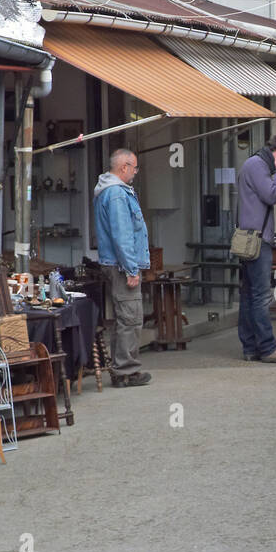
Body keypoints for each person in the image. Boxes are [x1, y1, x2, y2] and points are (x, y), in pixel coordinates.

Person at [93, 148, 151, 387]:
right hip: (121, 265)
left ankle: (121, 369)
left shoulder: (110, 191)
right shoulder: (116, 194)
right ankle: (126, 371)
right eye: (134, 167)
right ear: (124, 167)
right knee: (130, 318)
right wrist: (131, 269)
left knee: (123, 318)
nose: (136, 172)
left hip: (115, 263)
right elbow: (122, 235)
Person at [237, 133, 276, 363]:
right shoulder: (258, 165)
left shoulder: (253, 164)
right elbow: (271, 195)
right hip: (257, 240)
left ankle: (251, 347)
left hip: (252, 238)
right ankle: (268, 348)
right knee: (260, 295)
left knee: (249, 295)